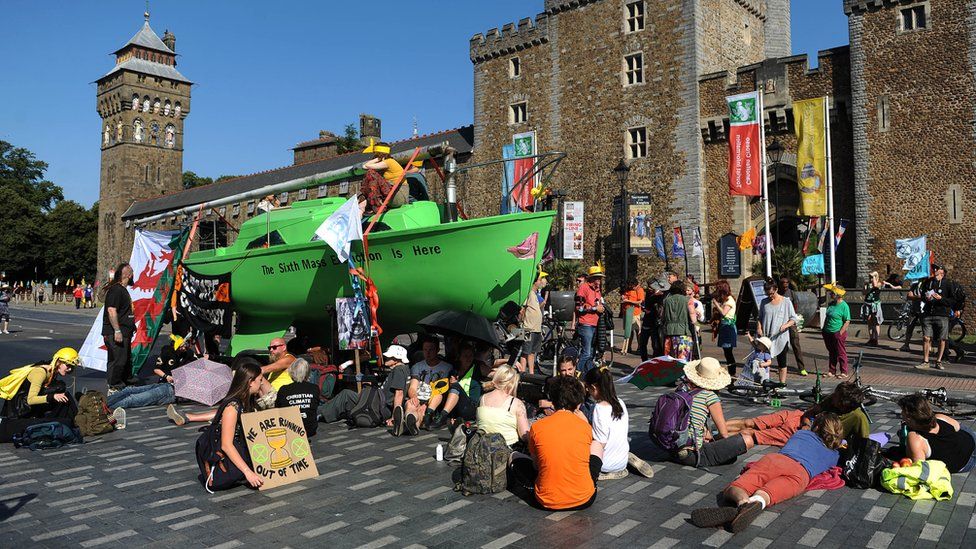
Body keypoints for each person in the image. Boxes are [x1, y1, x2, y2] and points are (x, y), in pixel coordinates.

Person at [690, 413, 844, 533]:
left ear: (816, 428)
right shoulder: (834, 455)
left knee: (734, 488)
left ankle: (742, 502)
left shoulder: (802, 434)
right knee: (767, 494)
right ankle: (757, 502)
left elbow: (805, 424)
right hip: (802, 475)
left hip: (777, 460)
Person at [509, 375, 601, 511]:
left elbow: (536, 465)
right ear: (578, 403)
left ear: (553, 401)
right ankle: (590, 482)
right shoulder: (585, 426)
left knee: (514, 456)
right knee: (597, 445)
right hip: (584, 498)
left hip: (545, 501)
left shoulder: (537, 427)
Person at [661, 358, 753, 467]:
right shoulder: (710, 396)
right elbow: (723, 434)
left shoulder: (681, 388)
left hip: (670, 446)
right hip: (693, 454)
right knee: (747, 440)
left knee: (713, 435)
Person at [725, 381, 870, 447]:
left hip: (798, 435)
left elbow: (864, 445)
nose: (833, 397)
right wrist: (806, 424)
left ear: (845, 405)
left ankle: (711, 438)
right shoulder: (834, 398)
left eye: (836, 398)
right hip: (796, 418)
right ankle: (711, 430)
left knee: (750, 432)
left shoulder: (858, 418)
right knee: (749, 422)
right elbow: (810, 412)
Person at [582, 367, 654, 480]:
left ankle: (610, 469)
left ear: (594, 387)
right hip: (621, 460)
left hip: (605, 464)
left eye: (588, 389)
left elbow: (601, 443)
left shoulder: (599, 408)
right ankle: (624, 458)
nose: (589, 393)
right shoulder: (620, 402)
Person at [210, 359, 265, 489]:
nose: (262, 383)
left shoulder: (249, 401)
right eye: (260, 380)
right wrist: (248, 472)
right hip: (229, 460)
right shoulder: (232, 407)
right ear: (251, 382)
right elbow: (226, 445)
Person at [899, 393, 976, 473]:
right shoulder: (939, 417)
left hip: (966, 464)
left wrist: (909, 447)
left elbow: (919, 470)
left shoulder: (915, 438)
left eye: (902, 411)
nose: (901, 413)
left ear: (909, 418)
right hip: (970, 441)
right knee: (958, 428)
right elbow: (957, 427)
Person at [0, 347, 80, 421]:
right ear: (58, 361)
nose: (69, 369)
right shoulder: (40, 373)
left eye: (72, 367)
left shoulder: (52, 371)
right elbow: (31, 400)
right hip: (20, 410)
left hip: (28, 406)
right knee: (61, 394)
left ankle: (71, 422)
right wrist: (52, 397)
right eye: (67, 365)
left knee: (62, 390)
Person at [406, 336, 454, 431]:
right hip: (419, 396)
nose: (427, 353)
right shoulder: (417, 366)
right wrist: (414, 398)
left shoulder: (447, 367)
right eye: (425, 349)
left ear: (437, 350)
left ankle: (410, 425)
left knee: (422, 409)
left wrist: (425, 403)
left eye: (431, 349)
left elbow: (443, 391)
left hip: (435, 400)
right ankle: (412, 424)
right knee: (410, 404)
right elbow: (413, 387)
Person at [756, 279, 799, 384]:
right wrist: (759, 328)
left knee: (782, 362)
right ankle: (764, 381)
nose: (770, 296)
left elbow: (794, 318)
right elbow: (759, 317)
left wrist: (786, 325)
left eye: (771, 293)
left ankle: (782, 383)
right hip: (766, 338)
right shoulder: (764, 302)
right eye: (767, 294)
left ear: (776, 289)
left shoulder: (786, 301)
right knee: (764, 361)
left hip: (780, 337)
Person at [476, 365, 530, 448]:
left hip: (483, 449)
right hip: (507, 450)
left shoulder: (483, 398)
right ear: (512, 383)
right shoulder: (516, 403)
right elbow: (525, 436)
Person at [103, 263, 137, 393]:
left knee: (124, 359)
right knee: (118, 360)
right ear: (128, 275)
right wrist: (117, 330)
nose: (133, 276)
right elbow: (111, 310)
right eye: (132, 273)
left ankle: (123, 384)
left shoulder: (122, 290)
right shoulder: (117, 290)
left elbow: (123, 312)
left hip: (124, 331)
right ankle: (114, 387)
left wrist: (131, 325)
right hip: (116, 332)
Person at [439, 344, 491, 428]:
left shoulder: (477, 367)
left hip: (472, 406)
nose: (468, 358)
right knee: (453, 388)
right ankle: (455, 419)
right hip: (458, 406)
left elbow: (493, 373)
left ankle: (443, 415)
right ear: (460, 357)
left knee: (456, 386)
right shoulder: (455, 370)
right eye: (465, 356)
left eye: (470, 356)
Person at [916, 264, 956, 370]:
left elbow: (952, 301)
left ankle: (938, 361)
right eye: (933, 269)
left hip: (942, 314)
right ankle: (925, 361)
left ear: (942, 273)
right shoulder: (928, 282)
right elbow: (923, 296)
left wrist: (941, 299)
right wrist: (926, 298)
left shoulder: (948, 284)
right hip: (928, 313)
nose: (934, 271)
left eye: (936, 269)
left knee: (942, 339)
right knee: (926, 337)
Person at [359, 140, 407, 215]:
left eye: (376, 154)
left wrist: (378, 159)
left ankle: (377, 206)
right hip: (389, 195)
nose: (374, 156)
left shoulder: (390, 161)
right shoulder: (383, 166)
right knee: (362, 202)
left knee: (371, 173)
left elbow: (365, 166)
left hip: (398, 195)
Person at [273, 358, 318, 437]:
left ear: (291, 372)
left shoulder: (284, 389)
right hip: (310, 429)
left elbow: (277, 409)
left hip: (289, 429)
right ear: (307, 373)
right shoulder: (314, 388)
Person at [575, 265, 605, 373]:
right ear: (592, 278)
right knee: (586, 352)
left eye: (600, 278)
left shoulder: (597, 290)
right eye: (598, 278)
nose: (600, 280)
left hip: (595, 324)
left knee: (592, 352)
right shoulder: (583, 288)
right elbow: (579, 308)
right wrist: (595, 308)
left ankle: (587, 373)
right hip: (586, 324)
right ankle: (578, 373)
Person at [778, 277, 808, 376]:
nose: (785, 285)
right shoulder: (777, 293)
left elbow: (795, 306)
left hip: (790, 322)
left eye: (787, 283)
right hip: (780, 323)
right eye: (783, 283)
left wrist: (794, 318)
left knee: (795, 344)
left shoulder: (791, 293)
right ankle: (782, 367)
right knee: (782, 345)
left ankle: (801, 367)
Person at [519, 271, 548, 374]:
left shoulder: (535, 294)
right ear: (534, 281)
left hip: (536, 328)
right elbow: (522, 309)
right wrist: (521, 323)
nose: (541, 282)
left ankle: (531, 372)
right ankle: (522, 371)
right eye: (539, 279)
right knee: (525, 352)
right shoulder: (529, 293)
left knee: (532, 352)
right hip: (528, 328)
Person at [821, 283, 851, 378]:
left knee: (840, 352)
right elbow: (827, 317)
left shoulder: (844, 306)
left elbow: (847, 321)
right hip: (827, 332)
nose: (830, 294)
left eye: (832, 293)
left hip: (837, 332)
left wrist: (840, 332)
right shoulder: (831, 304)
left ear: (838, 294)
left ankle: (844, 371)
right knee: (832, 351)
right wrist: (823, 329)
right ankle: (832, 370)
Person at [661, 281, 696, 362]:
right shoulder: (688, 300)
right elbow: (692, 314)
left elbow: (663, 316)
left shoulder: (666, 300)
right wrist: (695, 323)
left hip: (669, 332)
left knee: (669, 360)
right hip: (683, 332)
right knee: (683, 360)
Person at [711, 280, 738, 375]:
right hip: (725, 326)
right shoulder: (727, 299)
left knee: (728, 353)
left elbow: (723, 312)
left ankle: (732, 373)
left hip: (728, 327)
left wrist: (716, 304)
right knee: (727, 352)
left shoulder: (729, 300)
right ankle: (732, 373)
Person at [639, 279, 669, 360]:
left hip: (655, 323)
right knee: (642, 343)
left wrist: (650, 310)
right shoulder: (649, 293)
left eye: (651, 286)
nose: (649, 288)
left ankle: (654, 361)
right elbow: (645, 304)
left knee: (655, 345)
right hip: (647, 321)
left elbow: (660, 309)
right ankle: (644, 361)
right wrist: (644, 308)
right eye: (649, 286)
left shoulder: (661, 295)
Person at [620, 278, 644, 355]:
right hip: (626, 312)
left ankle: (640, 347)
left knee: (637, 330)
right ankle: (628, 347)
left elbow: (640, 302)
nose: (631, 287)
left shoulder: (639, 290)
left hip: (635, 313)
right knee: (628, 330)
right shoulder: (628, 289)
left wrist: (628, 301)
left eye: (631, 286)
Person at [863, 271, 884, 347]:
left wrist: (874, 278)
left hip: (875, 304)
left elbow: (875, 285)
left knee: (876, 322)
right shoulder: (868, 284)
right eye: (870, 277)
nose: (870, 279)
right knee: (869, 321)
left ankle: (876, 339)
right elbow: (864, 293)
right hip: (868, 303)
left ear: (876, 277)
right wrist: (865, 286)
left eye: (872, 277)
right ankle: (871, 338)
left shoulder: (879, 283)